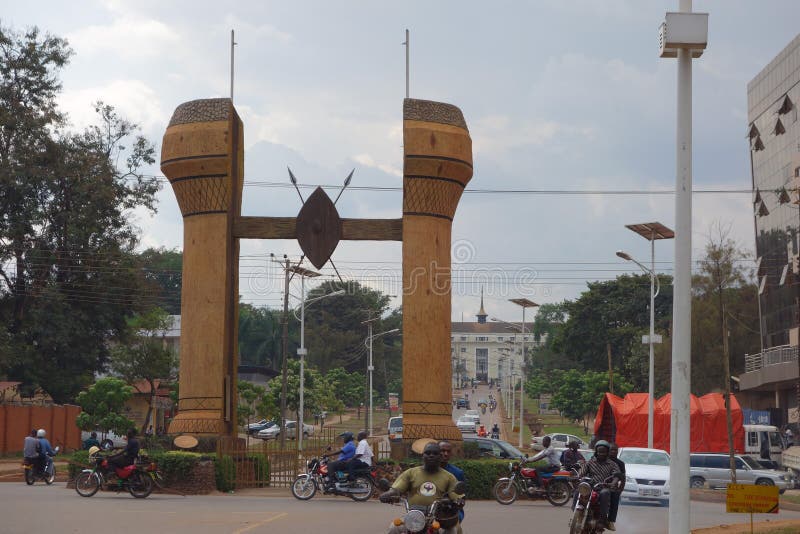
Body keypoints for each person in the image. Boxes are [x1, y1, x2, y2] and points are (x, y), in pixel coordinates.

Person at [380, 442, 463, 534]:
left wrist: (458, 501)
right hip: (414, 516)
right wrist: (389, 494)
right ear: (422, 456)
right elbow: (397, 488)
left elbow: (456, 494)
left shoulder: (449, 477)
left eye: (435, 453)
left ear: (440, 457)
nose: (431, 455)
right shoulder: (411, 473)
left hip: (437, 518)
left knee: (453, 530)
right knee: (394, 528)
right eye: (428, 453)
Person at [575, 440, 621, 530]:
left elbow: (617, 476)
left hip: (603, 487)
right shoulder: (590, 462)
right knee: (579, 489)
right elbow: (582, 471)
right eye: (599, 452)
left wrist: (613, 482)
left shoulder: (612, 464)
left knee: (605, 493)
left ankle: (602, 520)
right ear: (596, 452)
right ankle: (577, 510)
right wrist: (578, 477)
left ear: (607, 452)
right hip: (590, 486)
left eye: (604, 452)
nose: (601, 454)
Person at [439, 441, 466, 526]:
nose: (445, 454)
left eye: (448, 451)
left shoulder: (457, 473)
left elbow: (461, 496)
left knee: (453, 529)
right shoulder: (425, 471)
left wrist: (457, 502)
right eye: (442, 451)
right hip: (428, 510)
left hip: (450, 511)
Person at [607, 443, 626, 532]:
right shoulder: (602, 459)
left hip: (613, 487)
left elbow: (623, 478)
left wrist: (620, 490)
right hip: (598, 484)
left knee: (615, 498)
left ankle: (611, 521)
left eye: (615, 450)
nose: (613, 452)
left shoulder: (620, 463)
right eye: (612, 450)